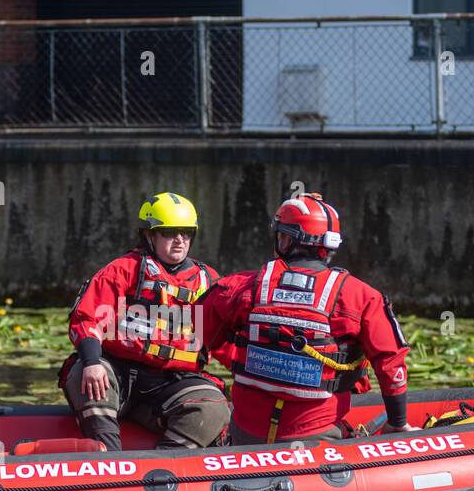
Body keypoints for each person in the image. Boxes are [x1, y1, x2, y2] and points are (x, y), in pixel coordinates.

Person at [199, 192, 416, 444]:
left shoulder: (242, 286)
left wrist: (242, 357)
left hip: (247, 432)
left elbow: (201, 330)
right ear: (329, 247)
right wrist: (398, 422)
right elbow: (390, 361)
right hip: (316, 436)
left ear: (286, 240)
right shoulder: (361, 296)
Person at [61, 192, 231, 451]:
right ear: (149, 236)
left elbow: (227, 340)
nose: (179, 240)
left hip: (170, 382)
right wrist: (92, 362)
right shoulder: (123, 270)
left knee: (214, 407)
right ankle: (109, 462)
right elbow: (86, 319)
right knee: (86, 377)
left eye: (186, 233)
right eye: (169, 233)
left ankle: (165, 465)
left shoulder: (208, 281)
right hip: (117, 371)